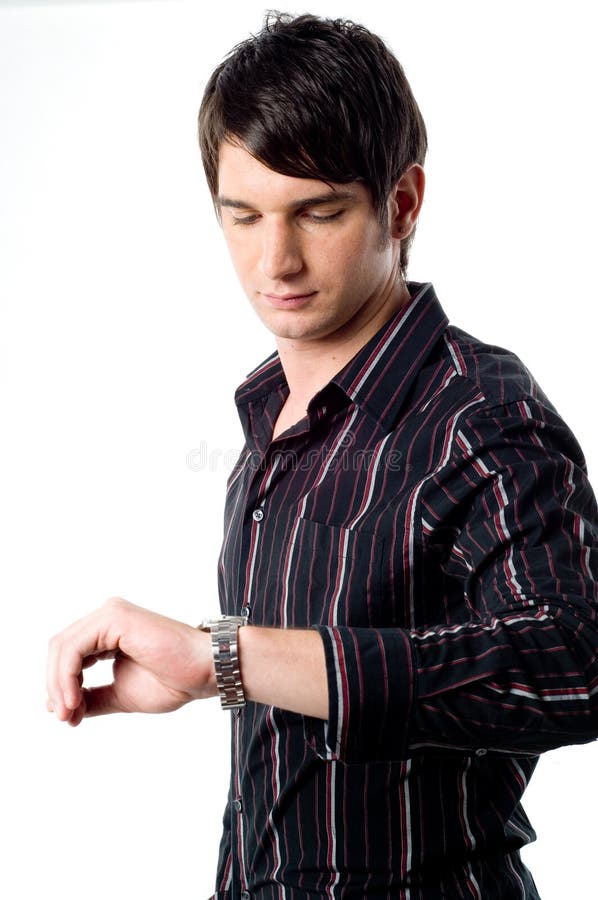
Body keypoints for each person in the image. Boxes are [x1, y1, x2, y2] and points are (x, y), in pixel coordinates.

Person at [46, 11, 598, 899]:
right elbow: (296, 686)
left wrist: (224, 655)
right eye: (244, 216)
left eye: (320, 212)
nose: (277, 259)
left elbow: (572, 665)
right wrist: (207, 675)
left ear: (402, 203)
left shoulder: (482, 413)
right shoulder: (272, 415)